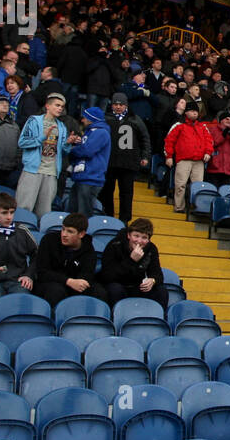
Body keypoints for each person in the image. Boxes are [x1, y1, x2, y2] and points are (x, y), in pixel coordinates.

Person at [16, 92, 76, 218]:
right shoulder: (34, 121)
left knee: (44, 211)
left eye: (62, 106)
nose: (60, 108)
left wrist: (68, 143)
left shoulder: (61, 127)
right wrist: (41, 137)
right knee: (24, 207)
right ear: (47, 106)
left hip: (51, 171)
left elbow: (63, 151)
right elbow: (22, 142)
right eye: (57, 105)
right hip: (33, 170)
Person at [0, 192, 38, 305]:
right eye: (4, 213)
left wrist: (29, 275)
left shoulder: (22, 231)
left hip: (18, 281)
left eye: (12, 212)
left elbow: (37, 255)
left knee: (21, 302)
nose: (9, 217)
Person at [32, 213, 104, 306]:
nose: (64, 234)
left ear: (81, 234)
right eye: (63, 229)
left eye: (70, 231)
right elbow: (42, 272)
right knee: (56, 290)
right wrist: (68, 281)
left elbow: (87, 274)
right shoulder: (49, 240)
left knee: (99, 291)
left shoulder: (88, 249)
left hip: (75, 284)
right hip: (50, 284)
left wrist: (79, 282)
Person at [102, 93, 150, 223]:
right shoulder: (105, 118)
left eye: (121, 104)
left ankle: (124, 221)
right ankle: (107, 217)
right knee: (106, 191)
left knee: (126, 193)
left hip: (128, 163)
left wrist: (145, 156)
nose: (118, 107)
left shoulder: (135, 119)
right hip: (109, 162)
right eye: (115, 104)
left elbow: (144, 139)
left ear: (126, 105)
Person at [98, 217, 167, 307]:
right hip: (116, 284)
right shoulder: (115, 245)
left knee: (161, 291)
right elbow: (108, 276)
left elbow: (157, 274)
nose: (139, 241)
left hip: (136, 286)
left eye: (144, 238)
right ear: (128, 235)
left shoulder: (151, 249)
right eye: (136, 236)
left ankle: (157, 318)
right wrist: (131, 260)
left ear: (148, 240)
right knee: (115, 289)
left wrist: (152, 281)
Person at [164, 102, 213, 213]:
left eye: (196, 111)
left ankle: (195, 208)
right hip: (183, 160)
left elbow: (209, 141)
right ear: (186, 112)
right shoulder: (179, 125)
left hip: (199, 161)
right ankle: (179, 207)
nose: (195, 113)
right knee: (180, 185)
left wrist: (208, 152)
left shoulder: (202, 126)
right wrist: (169, 156)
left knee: (198, 187)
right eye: (192, 110)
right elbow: (169, 141)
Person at [68, 106, 112, 215]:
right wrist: (79, 144)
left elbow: (87, 150)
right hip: (82, 177)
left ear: (92, 119)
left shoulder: (101, 132)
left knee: (82, 215)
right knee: (72, 213)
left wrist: (72, 150)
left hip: (91, 178)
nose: (82, 120)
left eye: (84, 117)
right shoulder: (91, 132)